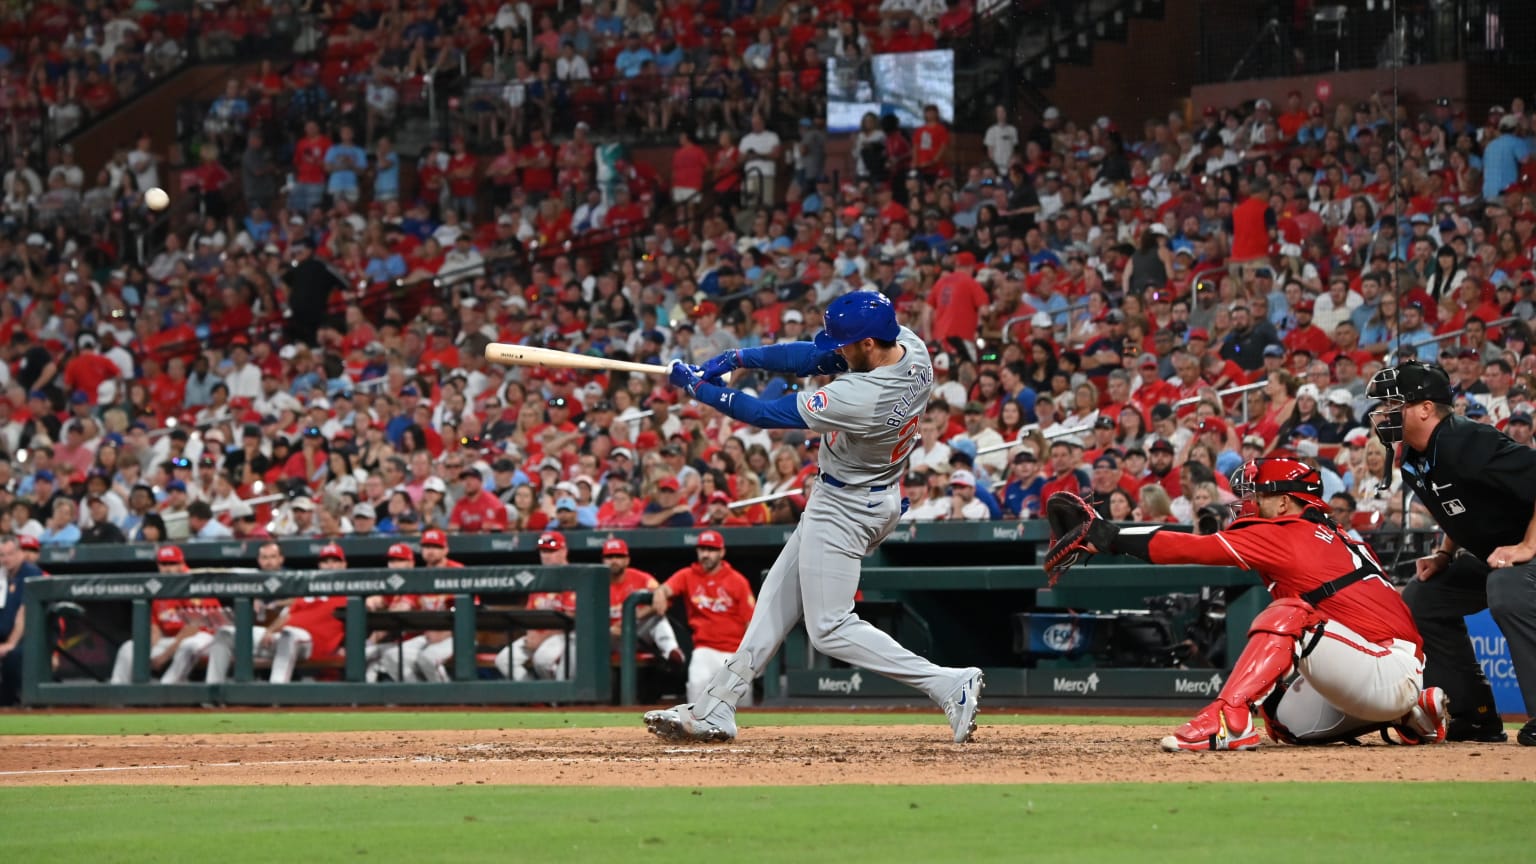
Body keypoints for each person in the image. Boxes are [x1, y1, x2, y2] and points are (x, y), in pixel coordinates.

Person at [644, 291, 983, 744]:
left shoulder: (863, 396)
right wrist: (739, 356)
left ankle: (946, 683)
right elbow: (813, 355)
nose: (836, 349)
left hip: (848, 505)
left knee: (829, 628)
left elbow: (764, 413)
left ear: (866, 343)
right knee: (774, 602)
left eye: (845, 343)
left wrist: (698, 389)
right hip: (864, 494)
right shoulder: (910, 347)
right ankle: (716, 705)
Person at [1043, 457, 1447, 751]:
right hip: (1375, 665)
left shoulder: (1288, 531)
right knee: (1284, 720)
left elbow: (1187, 548)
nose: (1250, 502)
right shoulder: (1327, 532)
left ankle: (1227, 720)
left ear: (1287, 503)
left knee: (1290, 613)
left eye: (1260, 495)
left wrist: (1108, 536)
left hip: (1385, 667)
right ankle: (1411, 715)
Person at [1369, 360, 1536, 745]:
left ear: (1425, 408)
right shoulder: (1412, 456)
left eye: (1395, 404)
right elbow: (1455, 505)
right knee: (1424, 598)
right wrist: (1445, 554)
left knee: (1507, 589)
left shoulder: (1467, 441)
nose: (1385, 414)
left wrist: (1528, 545)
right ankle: (1474, 715)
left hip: (1525, 551)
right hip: (1497, 555)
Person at [207, 542, 346, 683]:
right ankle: (212, 693)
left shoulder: (349, 591)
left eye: (335, 561)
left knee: (289, 635)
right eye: (325, 562)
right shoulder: (309, 588)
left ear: (344, 565)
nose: (330, 565)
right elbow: (288, 615)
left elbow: (367, 601)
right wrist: (270, 630)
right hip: (282, 637)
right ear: (319, 565)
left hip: (309, 643)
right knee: (225, 634)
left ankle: (275, 695)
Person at [653, 531, 754, 704]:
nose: (706, 554)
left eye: (711, 549)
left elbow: (750, 622)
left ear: (721, 552)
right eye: (702, 549)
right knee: (696, 688)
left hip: (734, 651)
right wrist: (659, 592)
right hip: (704, 649)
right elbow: (666, 588)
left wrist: (749, 656)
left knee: (742, 705)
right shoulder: (688, 575)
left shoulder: (737, 581)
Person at [109, 546, 224, 684]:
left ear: (182, 564)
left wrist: (164, 656)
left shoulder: (193, 582)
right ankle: (118, 693)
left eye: (173, 563)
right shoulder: (161, 587)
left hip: (206, 637)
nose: (168, 568)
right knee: (129, 647)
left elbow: (192, 629)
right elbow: (155, 627)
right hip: (172, 639)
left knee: (188, 645)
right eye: (164, 564)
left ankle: (167, 688)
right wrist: (148, 649)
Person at [495, 531, 578, 681]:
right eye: (543, 551)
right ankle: (535, 698)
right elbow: (530, 613)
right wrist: (532, 634)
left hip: (564, 635)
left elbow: (570, 618)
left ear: (564, 551)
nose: (546, 555)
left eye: (551, 551)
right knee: (503, 660)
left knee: (542, 660)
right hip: (539, 633)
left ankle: (556, 699)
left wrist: (542, 638)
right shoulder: (539, 577)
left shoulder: (572, 575)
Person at [414, 529, 465, 682]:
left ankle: (449, 701)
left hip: (457, 635)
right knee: (395, 657)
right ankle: (417, 701)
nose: (430, 551)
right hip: (428, 635)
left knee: (427, 658)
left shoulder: (458, 571)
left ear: (446, 549)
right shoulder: (417, 576)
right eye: (426, 546)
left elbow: (469, 610)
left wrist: (447, 633)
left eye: (435, 547)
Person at [0, 538, 41, 705]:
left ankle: (15, 703)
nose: (6, 559)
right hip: (5, 635)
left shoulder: (30, 573)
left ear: (20, 553)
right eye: (2, 555)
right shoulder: (3, 576)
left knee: (13, 656)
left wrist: (10, 644)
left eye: (10, 554)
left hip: (29, 637)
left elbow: (24, 613)